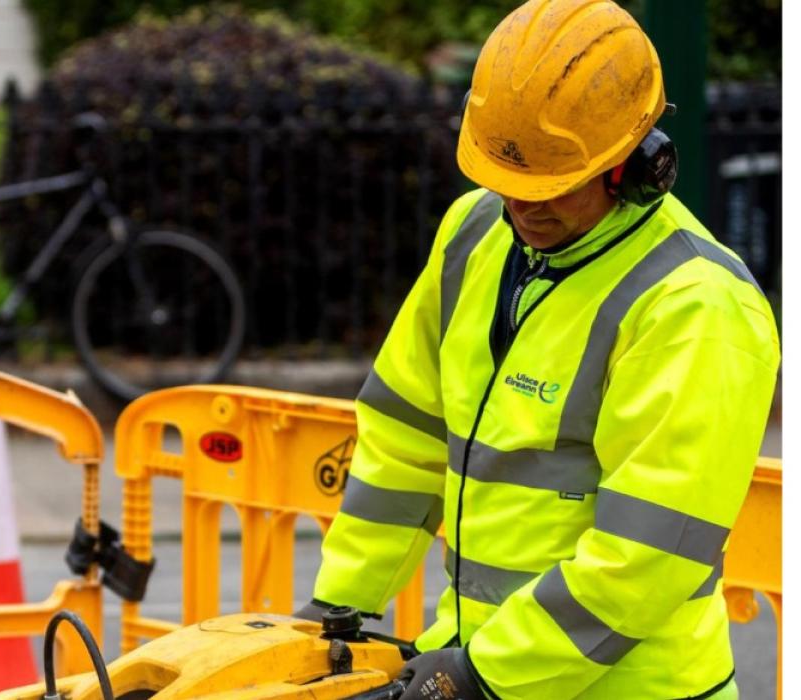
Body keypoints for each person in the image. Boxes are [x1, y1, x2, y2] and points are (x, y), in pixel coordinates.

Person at [297, 1, 780, 698]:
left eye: (552, 185)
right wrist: (341, 605)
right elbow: (407, 436)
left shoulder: (695, 304)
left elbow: (643, 559)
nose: (524, 208)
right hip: (479, 669)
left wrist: (481, 675)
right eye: (508, 182)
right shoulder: (474, 234)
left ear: (635, 163)